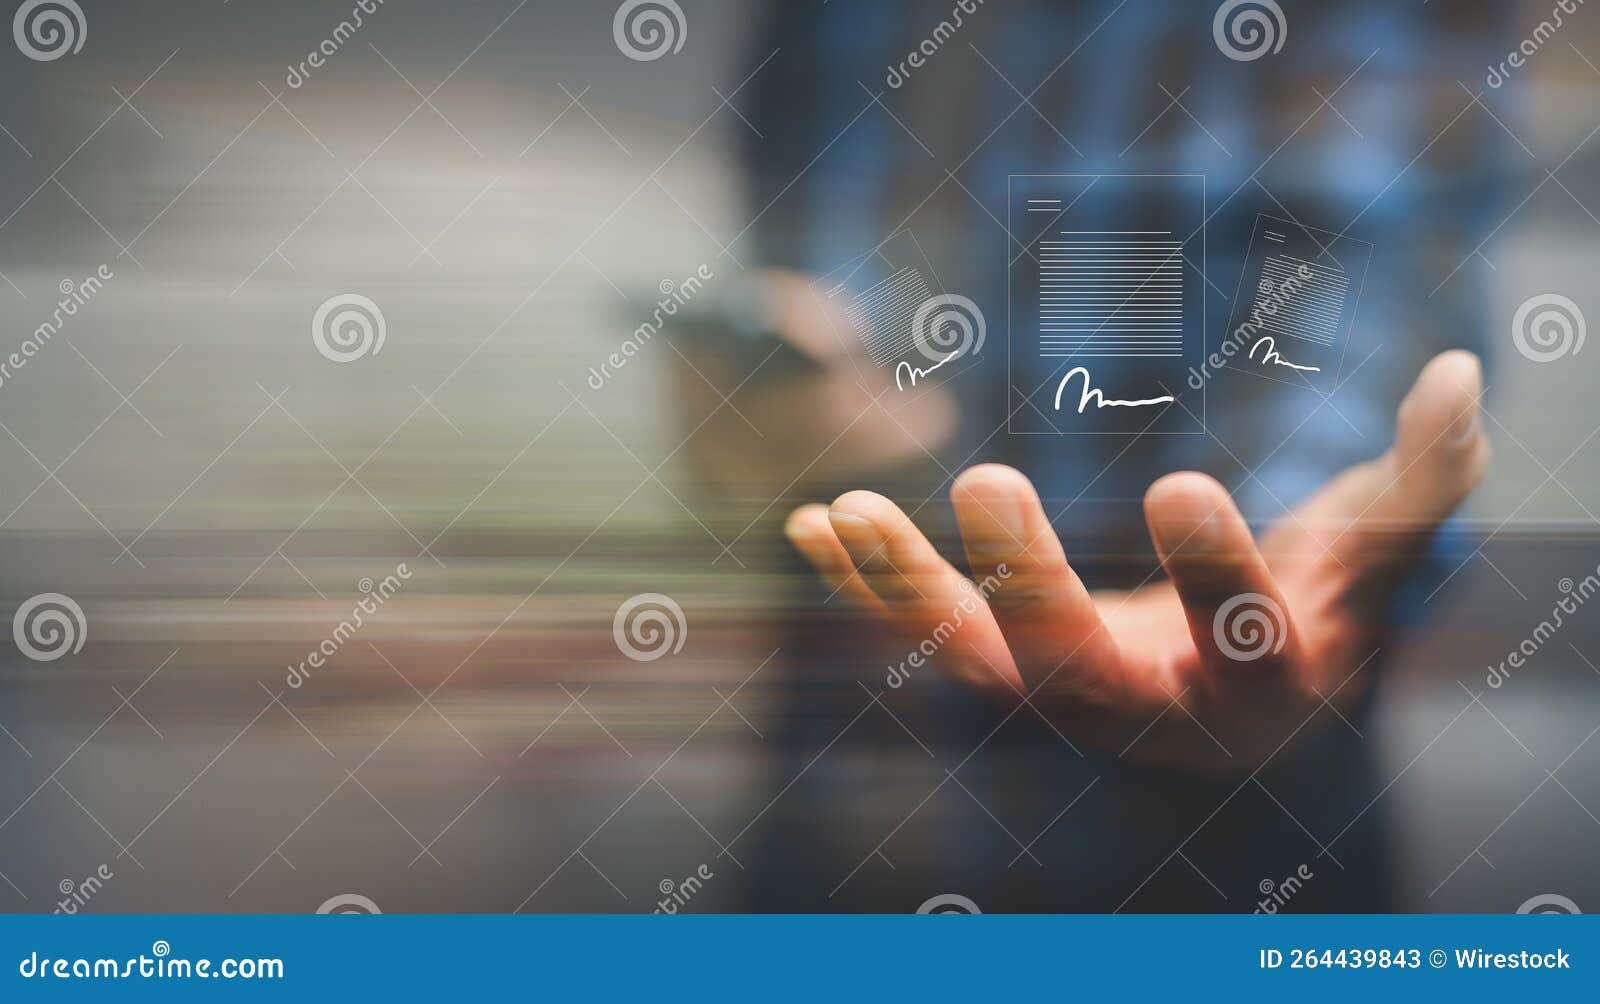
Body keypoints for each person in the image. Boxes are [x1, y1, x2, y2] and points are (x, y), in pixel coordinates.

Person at [673, 0, 1513, 910]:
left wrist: (1284, 556)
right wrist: (772, 375)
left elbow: (1351, 242)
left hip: (1226, 876)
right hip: (844, 815)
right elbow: (818, 210)